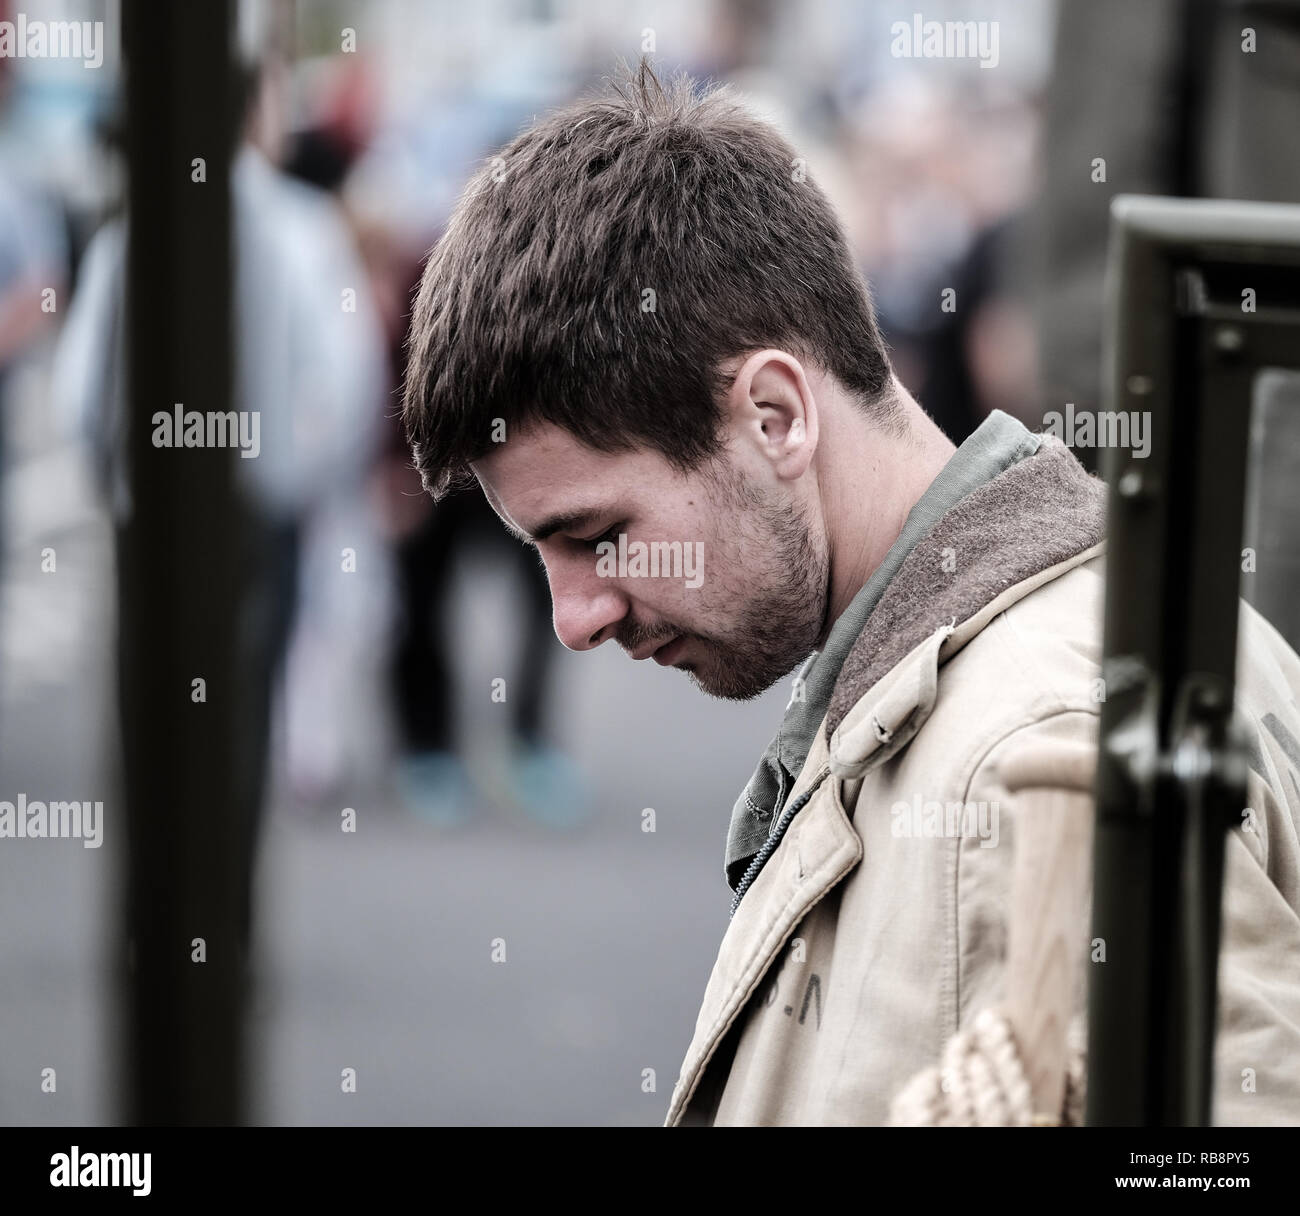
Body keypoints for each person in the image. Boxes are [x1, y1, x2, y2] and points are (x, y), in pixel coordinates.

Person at [400, 60, 1300, 1125]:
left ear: (776, 415)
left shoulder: (1030, 757)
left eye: (598, 536)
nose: (574, 618)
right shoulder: (1001, 673)